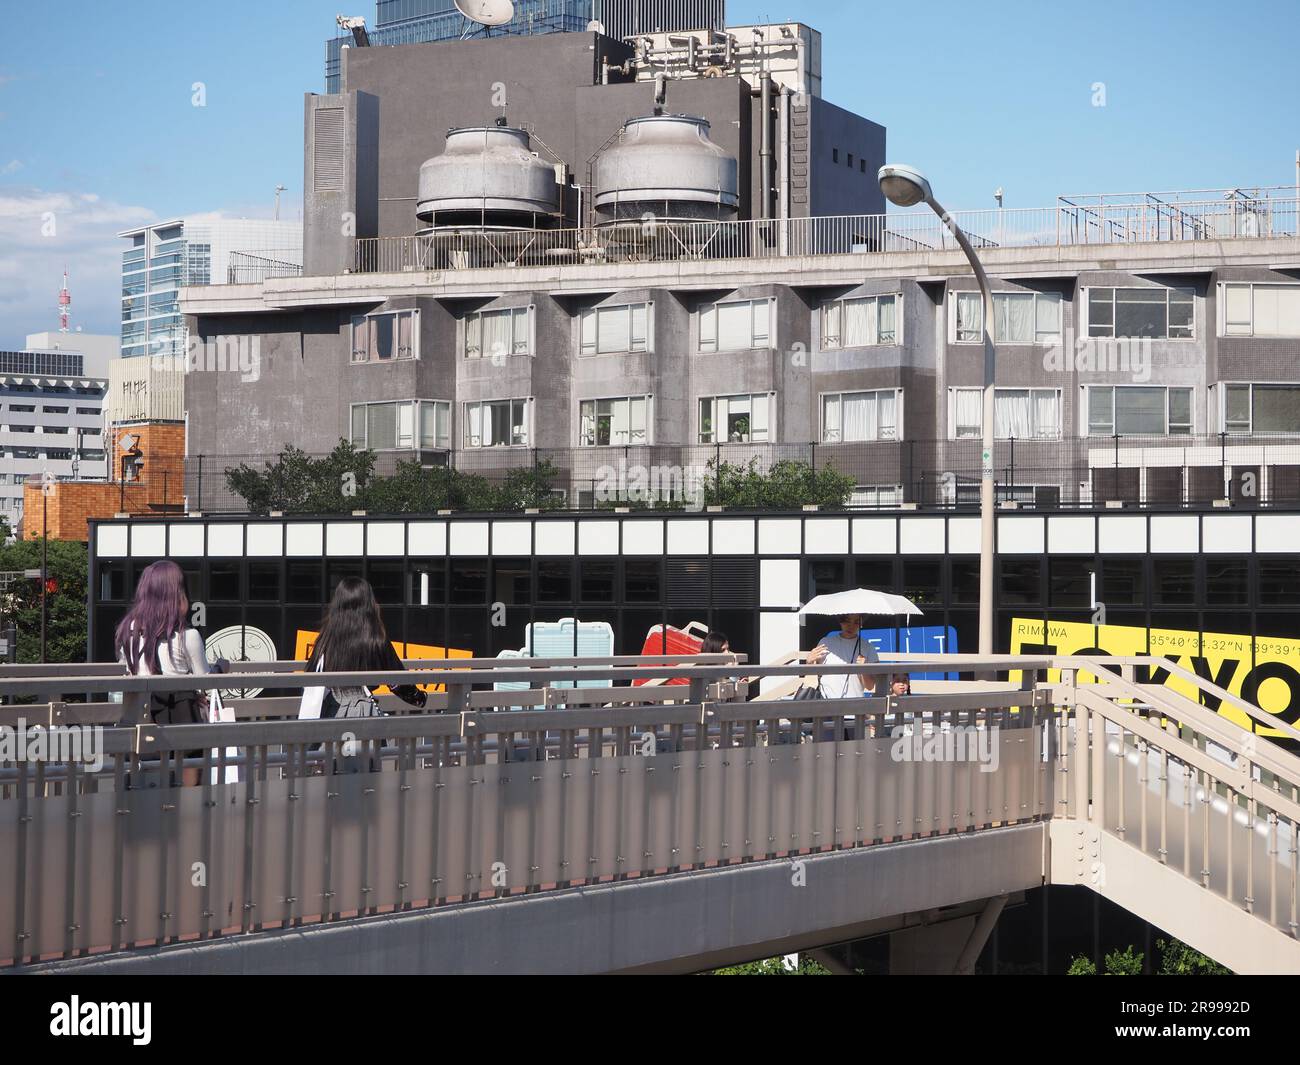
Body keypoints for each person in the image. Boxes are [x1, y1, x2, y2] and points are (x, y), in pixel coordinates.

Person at [114, 559, 209, 787]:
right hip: (180, 717)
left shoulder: (129, 631)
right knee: (188, 779)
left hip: (137, 718)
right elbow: (205, 683)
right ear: (177, 596)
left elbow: (129, 669)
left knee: (141, 788)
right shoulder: (187, 636)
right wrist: (220, 669)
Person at [298, 577, 427, 735]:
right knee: (363, 757)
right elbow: (397, 679)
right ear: (369, 604)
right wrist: (419, 698)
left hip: (330, 709)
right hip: (362, 710)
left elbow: (311, 676)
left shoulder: (326, 639)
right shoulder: (375, 639)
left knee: (333, 757)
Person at [807, 614, 879, 699]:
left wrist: (864, 670)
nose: (851, 626)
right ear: (840, 621)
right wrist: (809, 662)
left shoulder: (868, 647)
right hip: (826, 703)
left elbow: (870, 686)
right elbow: (813, 673)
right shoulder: (825, 642)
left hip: (855, 705)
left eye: (856, 622)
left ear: (861, 624)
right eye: (847, 621)